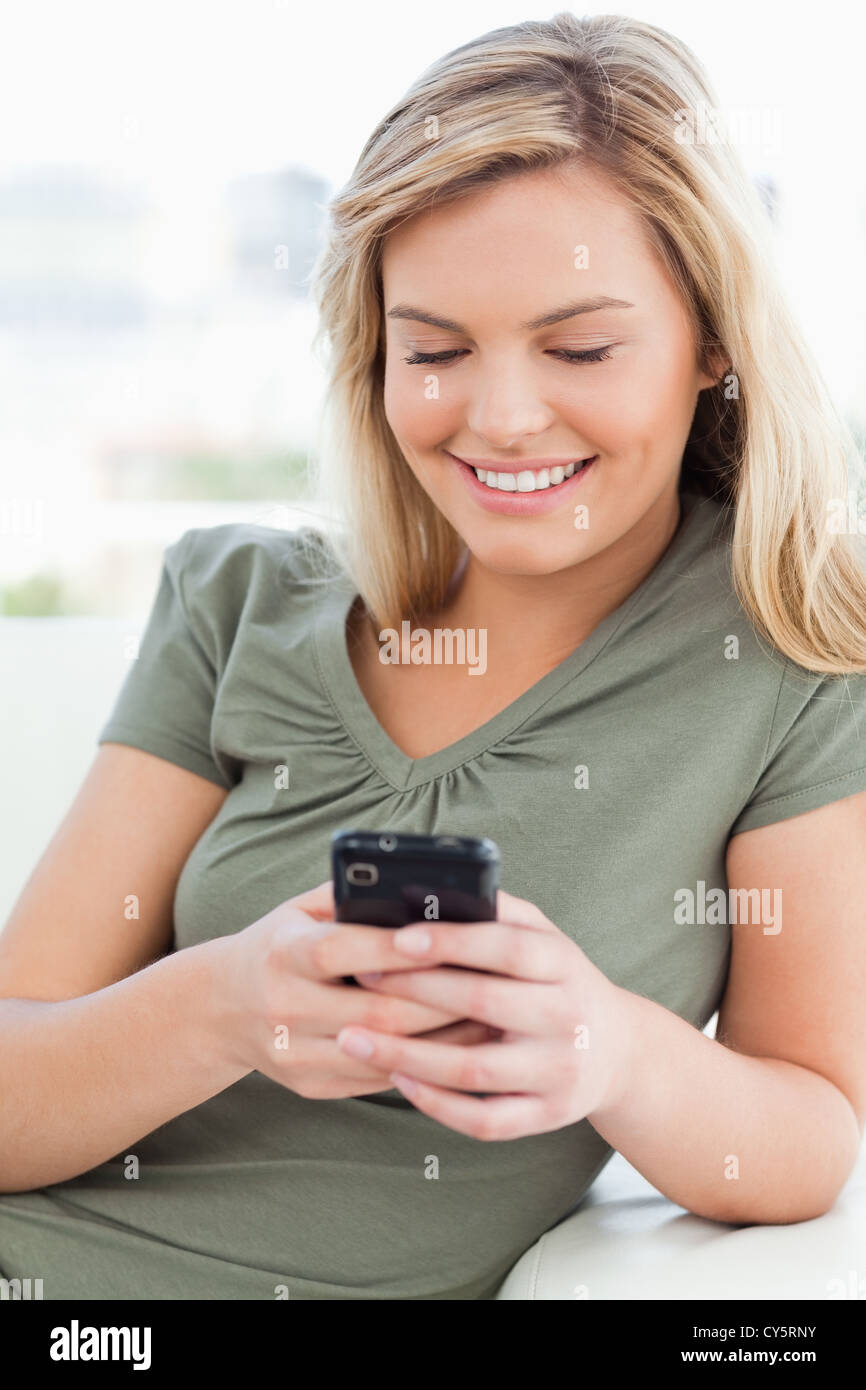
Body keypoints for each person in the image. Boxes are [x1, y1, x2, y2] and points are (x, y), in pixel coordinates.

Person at [1, 12, 865, 1302]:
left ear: (715, 340)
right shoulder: (237, 600)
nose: (501, 418)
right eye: (436, 351)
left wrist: (610, 1052)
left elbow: (809, 1134)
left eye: (580, 347)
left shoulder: (798, 658)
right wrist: (227, 1006)